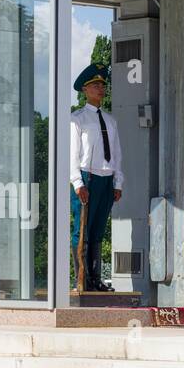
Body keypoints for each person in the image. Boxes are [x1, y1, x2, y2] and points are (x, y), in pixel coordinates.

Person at [70, 64, 123, 292]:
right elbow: (71, 153)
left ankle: (95, 278)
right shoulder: (77, 119)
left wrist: (117, 182)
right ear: (85, 89)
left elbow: (117, 153)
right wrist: (77, 182)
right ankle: (81, 278)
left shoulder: (110, 121)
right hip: (87, 176)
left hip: (106, 178)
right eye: (95, 85)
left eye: (102, 85)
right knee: (83, 228)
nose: (100, 89)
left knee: (99, 230)